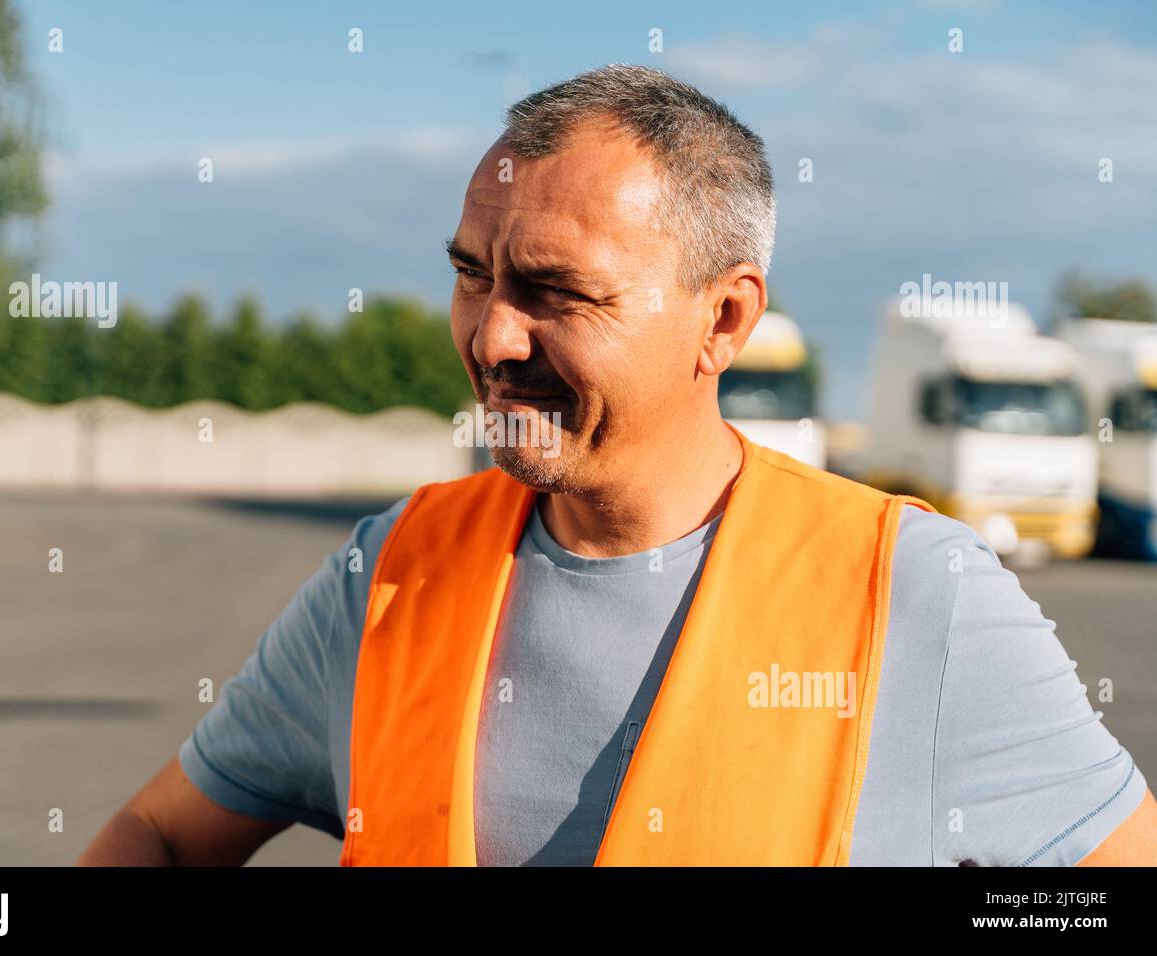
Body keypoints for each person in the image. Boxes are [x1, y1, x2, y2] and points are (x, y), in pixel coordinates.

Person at [78, 65, 1155, 866]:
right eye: (471, 275)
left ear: (723, 319)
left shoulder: (912, 590)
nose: (492, 337)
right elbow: (157, 835)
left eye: (555, 291)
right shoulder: (389, 574)